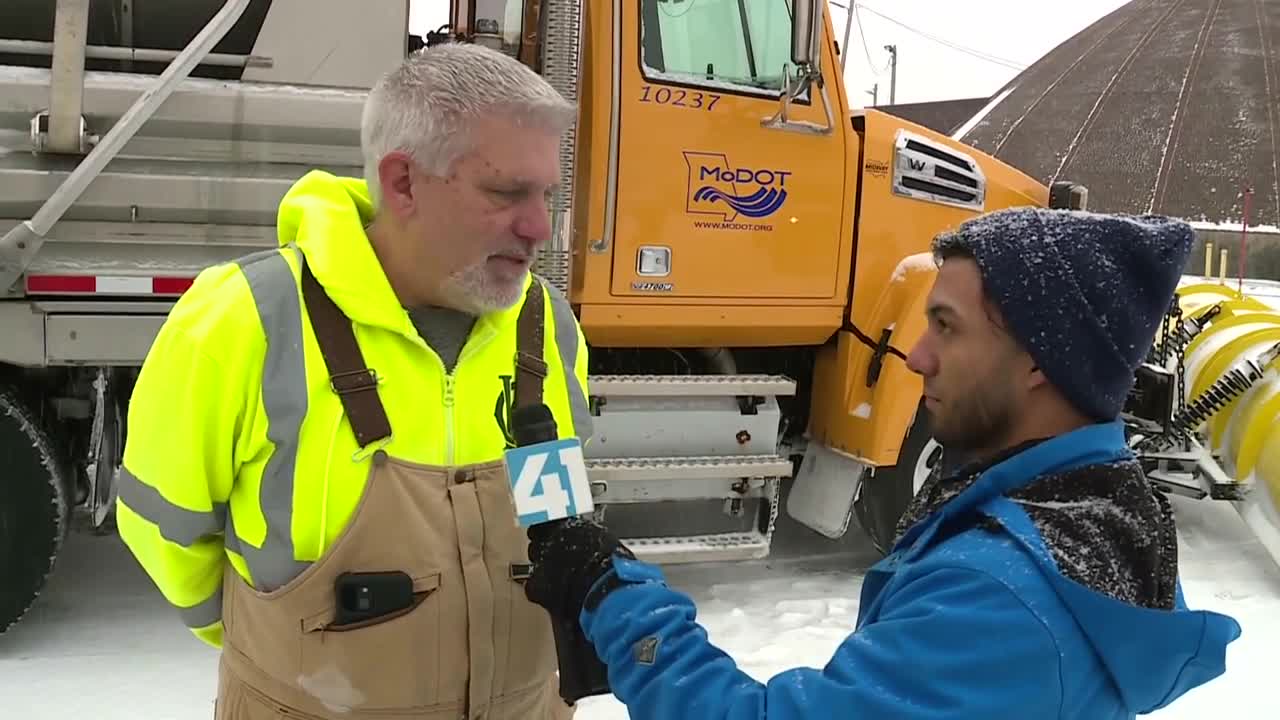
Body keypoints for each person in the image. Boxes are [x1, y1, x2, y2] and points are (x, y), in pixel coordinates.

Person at [522, 208, 1243, 719]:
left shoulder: (1002, 601)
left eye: (947, 328)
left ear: (1039, 363)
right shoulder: (1095, 513)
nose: (915, 354)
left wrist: (615, 600)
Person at [116, 43, 591, 720]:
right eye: (507, 192)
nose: (540, 226)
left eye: (547, 194)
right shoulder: (244, 319)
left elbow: (554, 508)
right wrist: (275, 645)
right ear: (403, 183)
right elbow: (162, 526)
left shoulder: (546, 325)